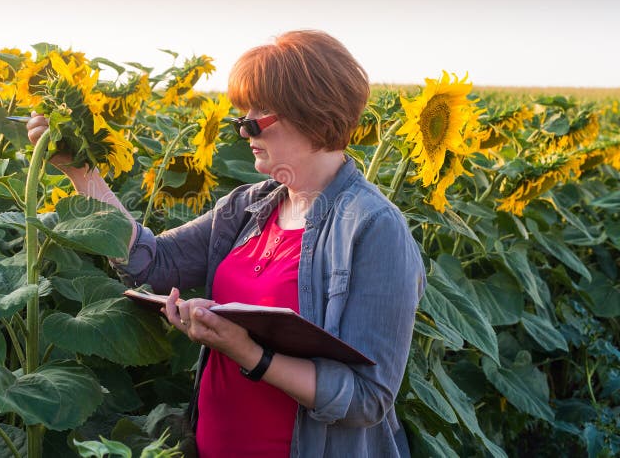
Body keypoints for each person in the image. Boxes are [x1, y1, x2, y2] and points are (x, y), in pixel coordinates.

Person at [27, 30, 426, 457]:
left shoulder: (372, 228)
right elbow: (152, 261)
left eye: (255, 118)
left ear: (311, 114)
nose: (242, 129)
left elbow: (367, 398)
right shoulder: (247, 207)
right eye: (241, 116)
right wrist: (80, 172)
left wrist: (247, 352)